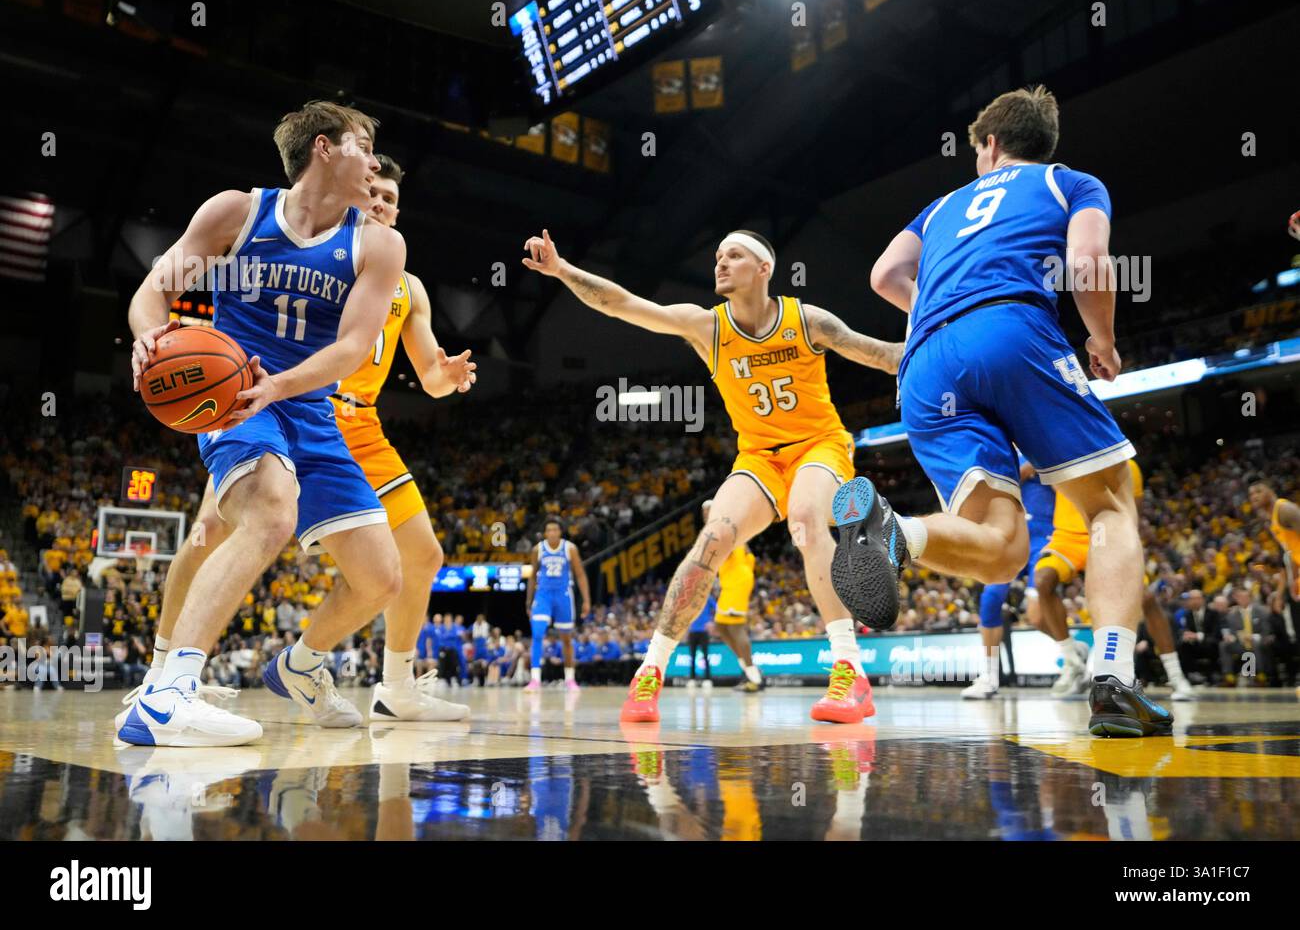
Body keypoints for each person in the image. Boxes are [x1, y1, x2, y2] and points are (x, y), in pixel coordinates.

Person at [836, 85, 1172, 736]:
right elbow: (1087, 261)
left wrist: (940, 315)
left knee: (1001, 553)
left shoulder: (939, 209)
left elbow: (884, 277)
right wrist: (1100, 340)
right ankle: (1113, 681)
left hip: (927, 362)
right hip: (1014, 330)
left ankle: (895, 534)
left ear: (989, 144)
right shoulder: (1070, 182)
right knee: (1109, 506)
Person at [119, 149, 474, 736]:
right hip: (260, 396)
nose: (383, 203)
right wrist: (171, 339)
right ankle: (164, 680)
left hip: (344, 421)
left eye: (392, 199)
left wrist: (447, 375)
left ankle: (340, 673)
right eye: (376, 191)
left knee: (403, 565)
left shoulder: (399, 276)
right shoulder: (266, 221)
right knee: (216, 533)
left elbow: (413, 369)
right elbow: (168, 289)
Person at [521, 227, 902, 724]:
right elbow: (623, 304)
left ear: (764, 268)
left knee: (806, 518)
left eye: (735, 255)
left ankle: (850, 671)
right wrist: (562, 269)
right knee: (713, 538)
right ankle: (650, 672)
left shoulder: (807, 320)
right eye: (718, 256)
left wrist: (940, 334)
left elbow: (884, 355)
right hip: (759, 457)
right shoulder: (707, 327)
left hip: (820, 445)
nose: (721, 263)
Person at [1028, 458, 1194, 701]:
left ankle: (1176, 675)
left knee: (1146, 598)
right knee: (1043, 579)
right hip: (1068, 538)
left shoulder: (1127, 465)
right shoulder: (1059, 455)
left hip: (1107, 533)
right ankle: (1072, 661)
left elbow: (1131, 512)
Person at [962, 453, 1055, 700]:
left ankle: (1070, 650)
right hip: (1014, 537)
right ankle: (989, 677)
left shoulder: (1046, 447)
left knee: (1036, 614)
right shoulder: (1003, 454)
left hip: (1045, 539)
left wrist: (1042, 466)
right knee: (990, 598)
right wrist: (1022, 473)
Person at [702, 500, 763, 693]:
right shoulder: (735, 530)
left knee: (736, 628)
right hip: (735, 578)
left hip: (737, 580)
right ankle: (748, 669)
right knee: (721, 626)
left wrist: (708, 515)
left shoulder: (723, 529)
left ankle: (754, 675)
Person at [524, 517, 591, 691]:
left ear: (560, 532)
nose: (552, 533)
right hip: (543, 594)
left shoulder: (570, 548)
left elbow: (581, 574)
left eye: (555, 529)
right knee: (537, 633)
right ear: (545, 533)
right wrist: (528, 601)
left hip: (563, 595)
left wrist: (586, 600)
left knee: (566, 639)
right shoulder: (537, 549)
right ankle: (535, 679)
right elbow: (532, 577)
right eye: (549, 530)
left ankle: (570, 678)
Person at [686, 589, 716, 689]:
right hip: (692, 631)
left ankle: (707, 679)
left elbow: (717, 609)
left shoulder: (708, 598)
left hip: (704, 631)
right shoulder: (690, 600)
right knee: (692, 656)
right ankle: (692, 679)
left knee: (705, 655)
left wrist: (711, 621)